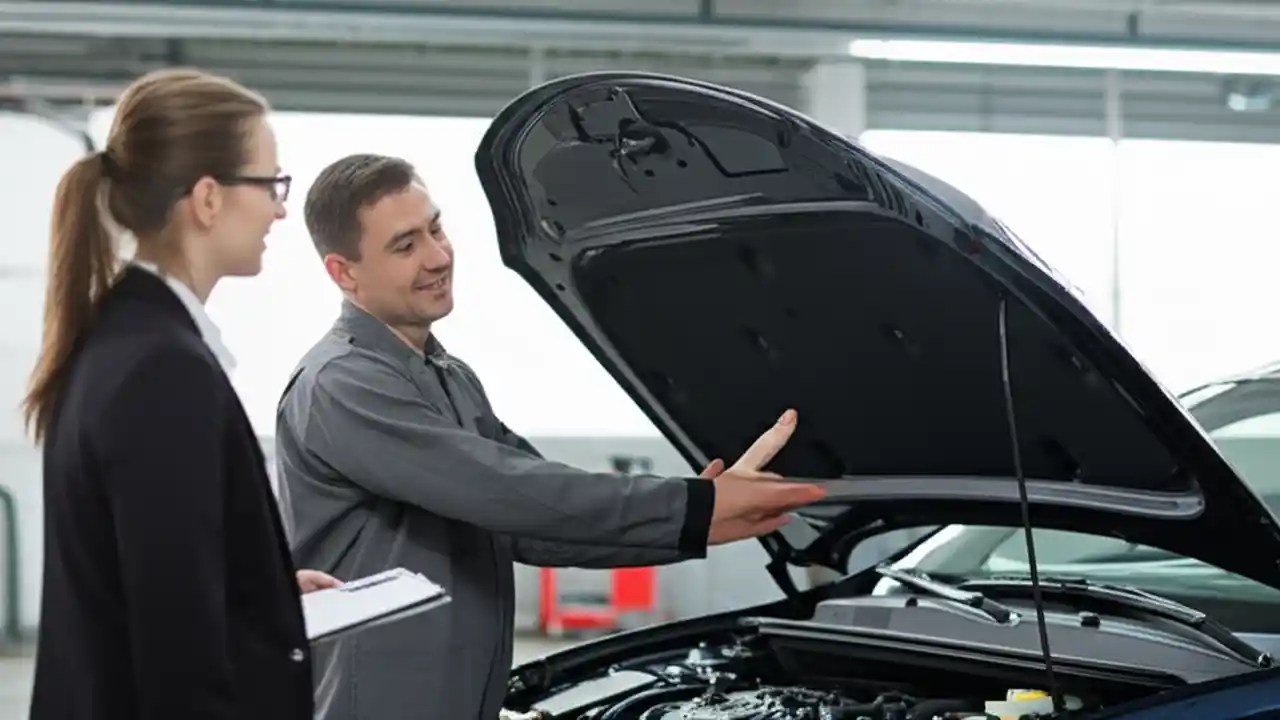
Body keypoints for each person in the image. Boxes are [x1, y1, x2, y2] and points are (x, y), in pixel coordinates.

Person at [274, 153, 827, 720]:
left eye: (435, 228)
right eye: (404, 245)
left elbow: (536, 526)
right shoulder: (343, 384)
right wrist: (692, 507)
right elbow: (504, 489)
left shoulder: (449, 378)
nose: (438, 257)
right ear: (345, 273)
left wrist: (697, 523)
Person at [22, 68, 341, 720]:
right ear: (207, 198)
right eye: (271, 183)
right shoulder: (162, 371)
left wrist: (260, 596)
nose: (281, 208)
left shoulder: (121, 339)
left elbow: (150, 575)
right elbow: (177, 658)